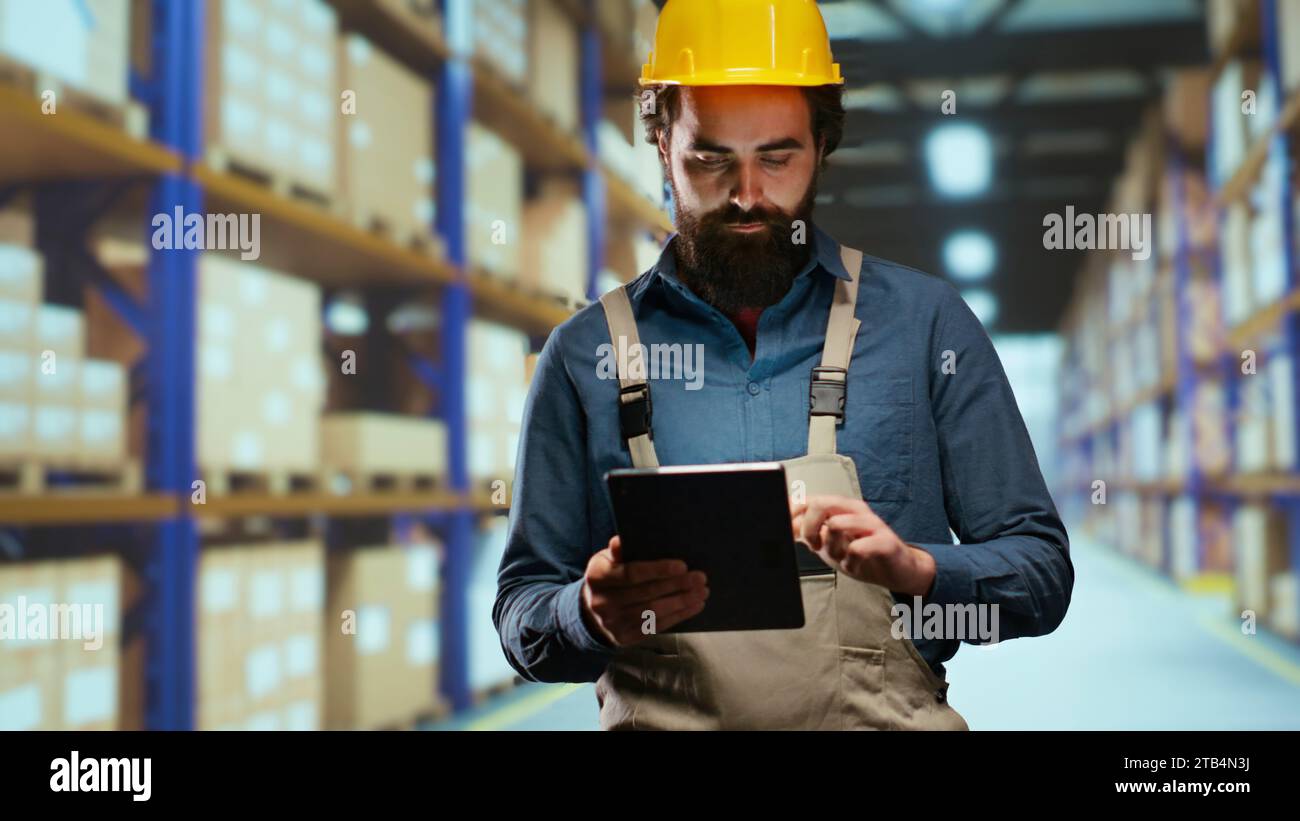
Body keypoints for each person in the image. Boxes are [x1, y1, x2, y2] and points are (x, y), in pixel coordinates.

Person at [493, 0, 1073, 730]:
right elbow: (522, 615)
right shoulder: (584, 355)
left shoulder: (924, 327)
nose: (746, 195)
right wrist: (587, 614)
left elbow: (1042, 578)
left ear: (823, 144)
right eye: (710, 158)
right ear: (663, 141)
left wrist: (918, 570)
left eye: (777, 156)